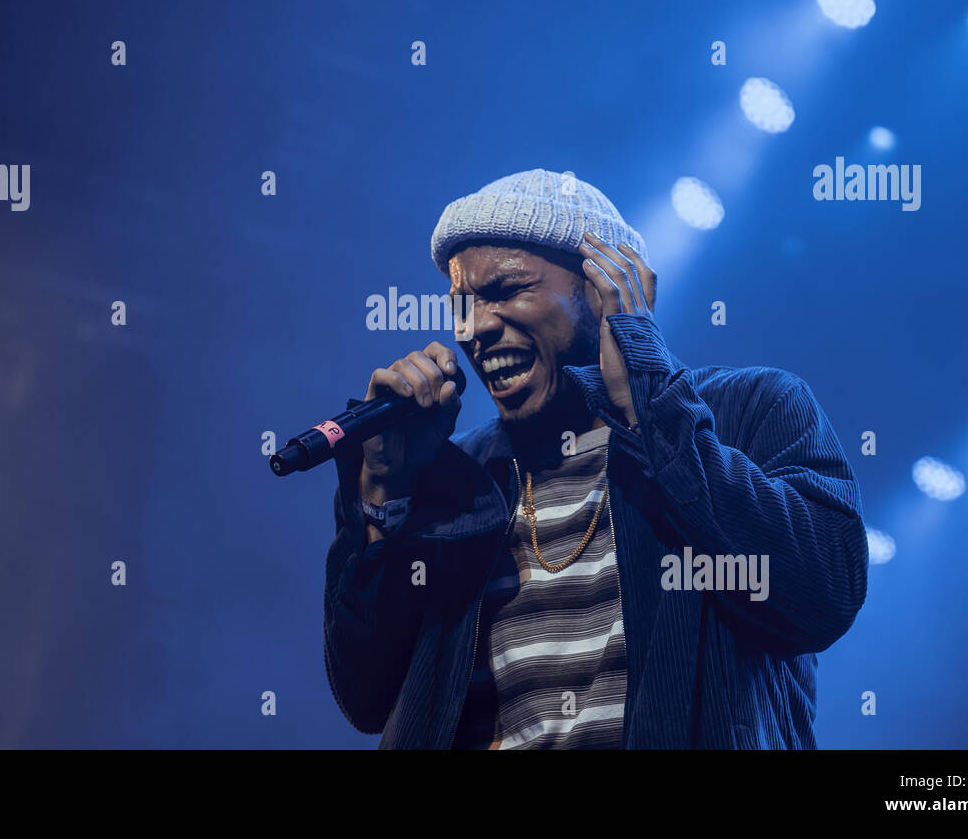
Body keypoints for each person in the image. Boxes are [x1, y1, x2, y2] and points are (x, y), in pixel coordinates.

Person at [323, 168, 868, 748]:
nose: (474, 327)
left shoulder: (748, 411)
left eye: (506, 290)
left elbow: (822, 596)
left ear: (605, 287)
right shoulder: (462, 478)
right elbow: (367, 698)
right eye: (463, 303)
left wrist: (652, 407)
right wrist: (385, 493)